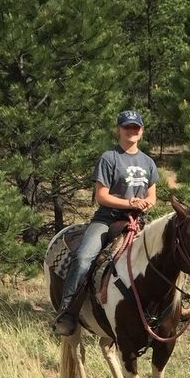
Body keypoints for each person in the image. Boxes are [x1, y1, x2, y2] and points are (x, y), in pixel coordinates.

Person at [52, 110, 159, 336]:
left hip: (137, 221)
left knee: (165, 253)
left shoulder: (148, 162)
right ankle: (67, 311)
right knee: (83, 258)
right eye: (127, 126)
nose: (132, 130)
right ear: (118, 130)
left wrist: (145, 204)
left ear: (142, 131)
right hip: (108, 220)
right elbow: (101, 196)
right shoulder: (109, 158)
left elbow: (152, 196)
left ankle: (170, 308)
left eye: (136, 127)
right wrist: (129, 202)